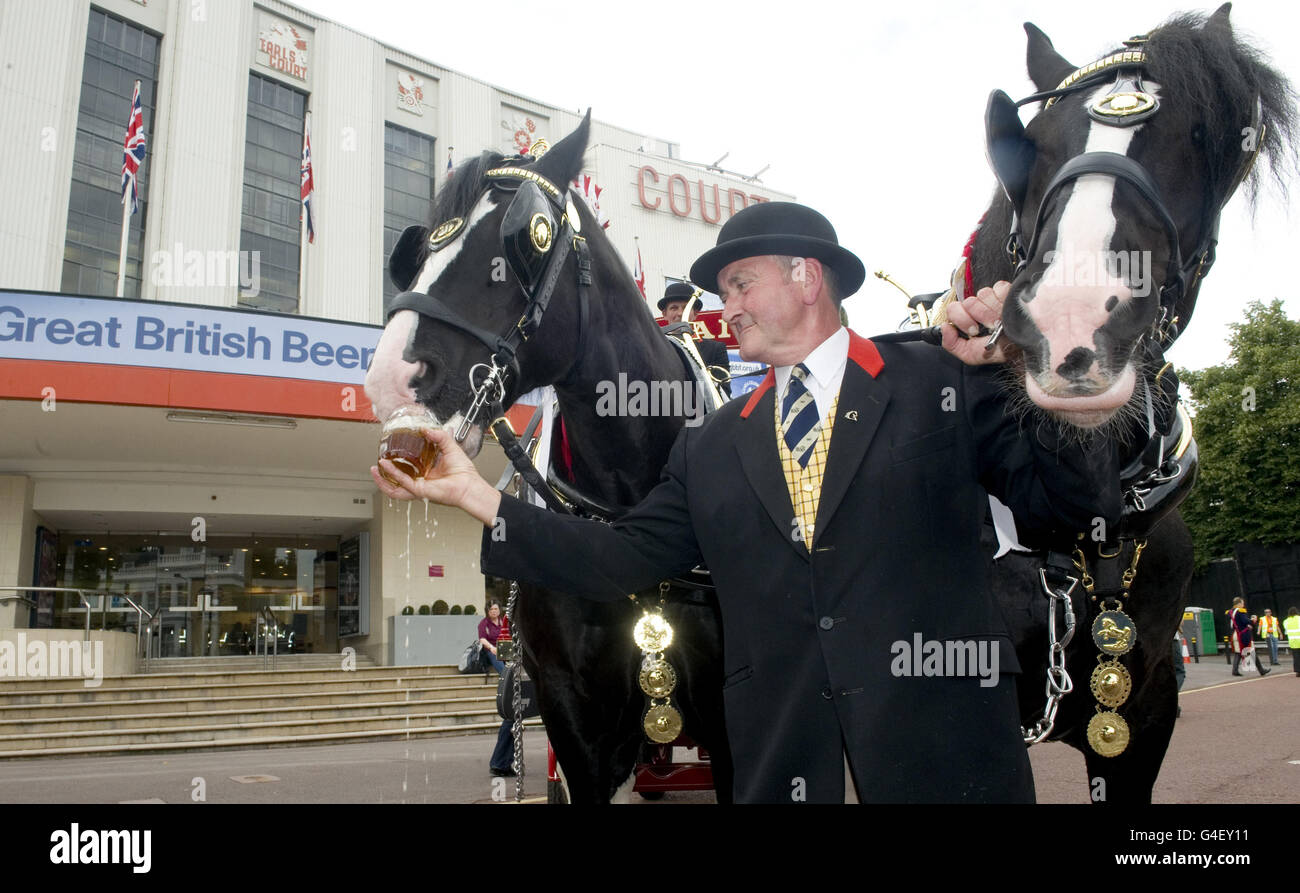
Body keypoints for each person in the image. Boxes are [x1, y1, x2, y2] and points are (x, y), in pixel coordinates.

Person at [373, 201, 1122, 803]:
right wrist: (471, 492)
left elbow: (1072, 499)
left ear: (807, 277)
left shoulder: (942, 381)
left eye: (740, 283)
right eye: (721, 289)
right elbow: (620, 556)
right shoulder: (711, 445)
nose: (724, 306)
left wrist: (1044, 365)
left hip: (950, 771)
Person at [659, 280, 732, 397]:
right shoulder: (654, 348)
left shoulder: (715, 349)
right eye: (674, 308)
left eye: (685, 308)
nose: (680, 313)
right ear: (664, 313)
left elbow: (723, 393)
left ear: (695, 313)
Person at [1228, 598, 1270, 677]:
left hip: (1235, 634)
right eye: (1242, 603)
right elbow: (1244, 621)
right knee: (1251, 650)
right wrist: (1252, 620)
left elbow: (1236, 623)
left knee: (1238, 652)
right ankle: (1261, 670)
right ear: (1239, 604)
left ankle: (1235, 670)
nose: (1243, 605)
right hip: (1242, 635)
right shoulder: (1240, 611)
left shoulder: (1231, 612)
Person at [477, 600, 506, 675]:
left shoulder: (504, 622)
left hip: (504, 649)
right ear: (487, 611)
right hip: (491, 651)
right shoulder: (484, 623)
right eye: (491, 609)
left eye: (495, 609)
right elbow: (482, 639)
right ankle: (506, 678)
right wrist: (491, 647)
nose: (493, 611)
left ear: (499, 610)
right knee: (495, 654)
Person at [1284, 608, 1300, 677]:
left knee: (1296, 657)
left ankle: (1298, 671)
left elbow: (1286, 632)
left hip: (1293, 641)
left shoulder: (1286, 621)